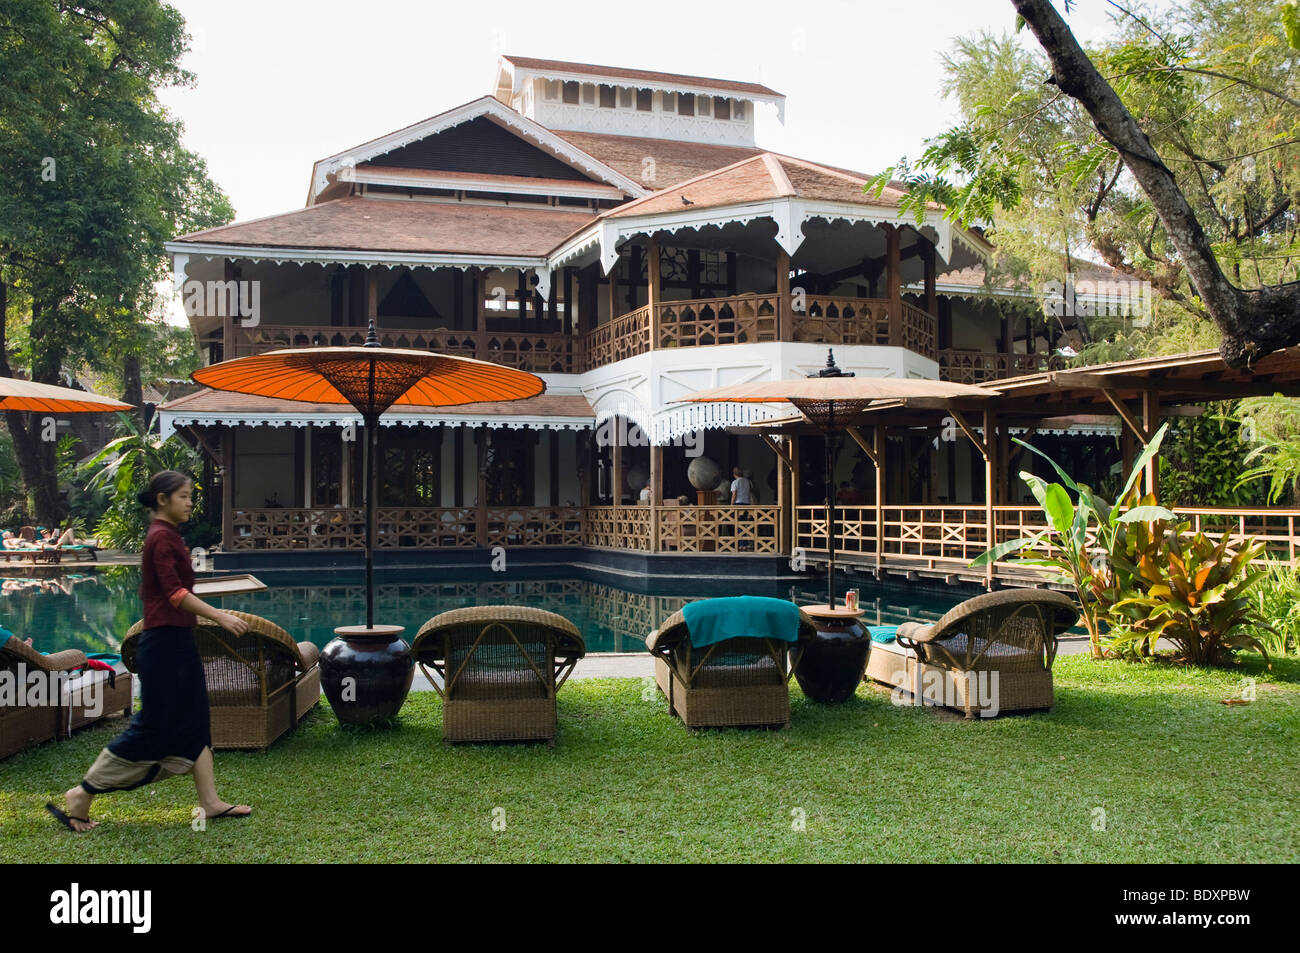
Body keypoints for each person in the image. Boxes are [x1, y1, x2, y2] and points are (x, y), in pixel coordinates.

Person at [47, 471, 252, 833]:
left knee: (196, 719)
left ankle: (210, 802)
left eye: (190, 496)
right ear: (162, 499)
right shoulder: (159, 538)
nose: (190, 502)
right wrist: (219, 616)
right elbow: (174, 594)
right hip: (163, 645)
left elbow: (178, 591)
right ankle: (82, 793)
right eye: (184, 496)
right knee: (151, 728)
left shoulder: (170, 536)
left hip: (179, 641)